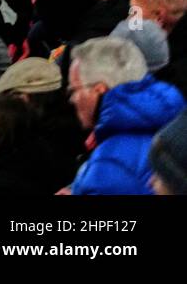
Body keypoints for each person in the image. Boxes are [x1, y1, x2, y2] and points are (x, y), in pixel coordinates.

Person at [68, 36, 186, 194]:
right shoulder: (174, 126)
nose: (72, 99)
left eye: (74, 90)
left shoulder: (109, 164)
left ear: (99, 90)